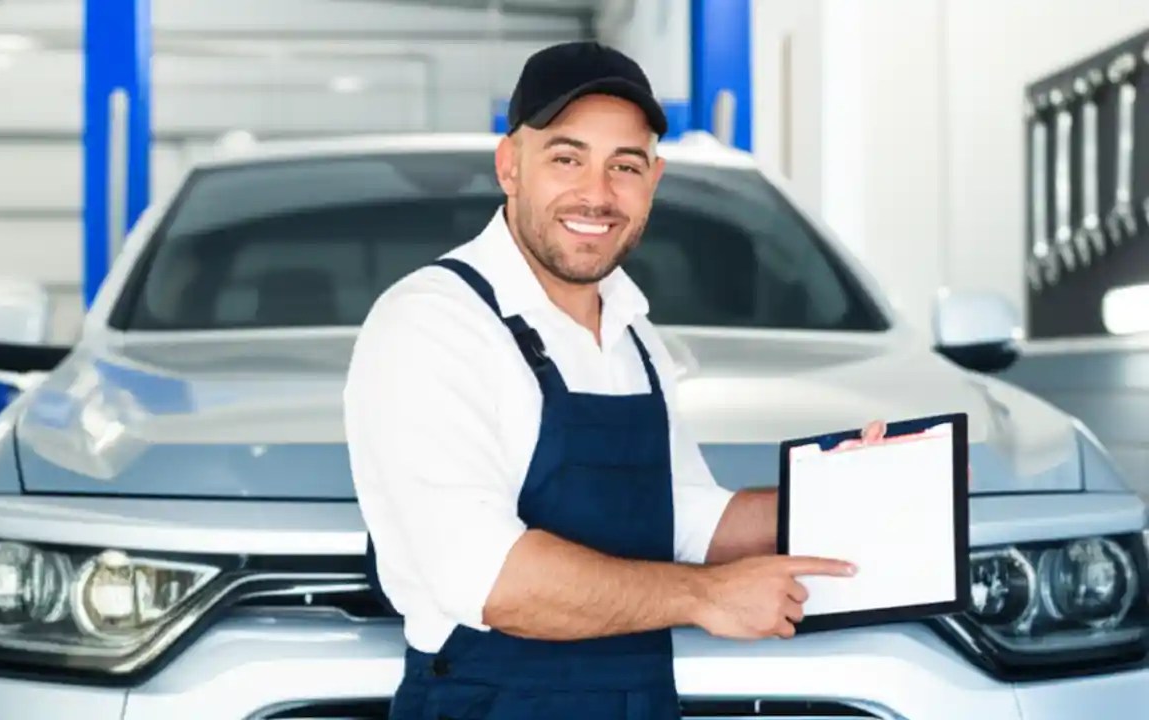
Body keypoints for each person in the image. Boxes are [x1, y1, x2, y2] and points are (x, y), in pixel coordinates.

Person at [344, 40, 884, 720]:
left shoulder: (634, 335)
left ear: (652, 180)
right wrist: (705, 597)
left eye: (624, 166)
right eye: (567, 158)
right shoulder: (433, 324)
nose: (597, 195)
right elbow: (490, 579)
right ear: (511, 165)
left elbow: (684, 517)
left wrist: (861, 490)